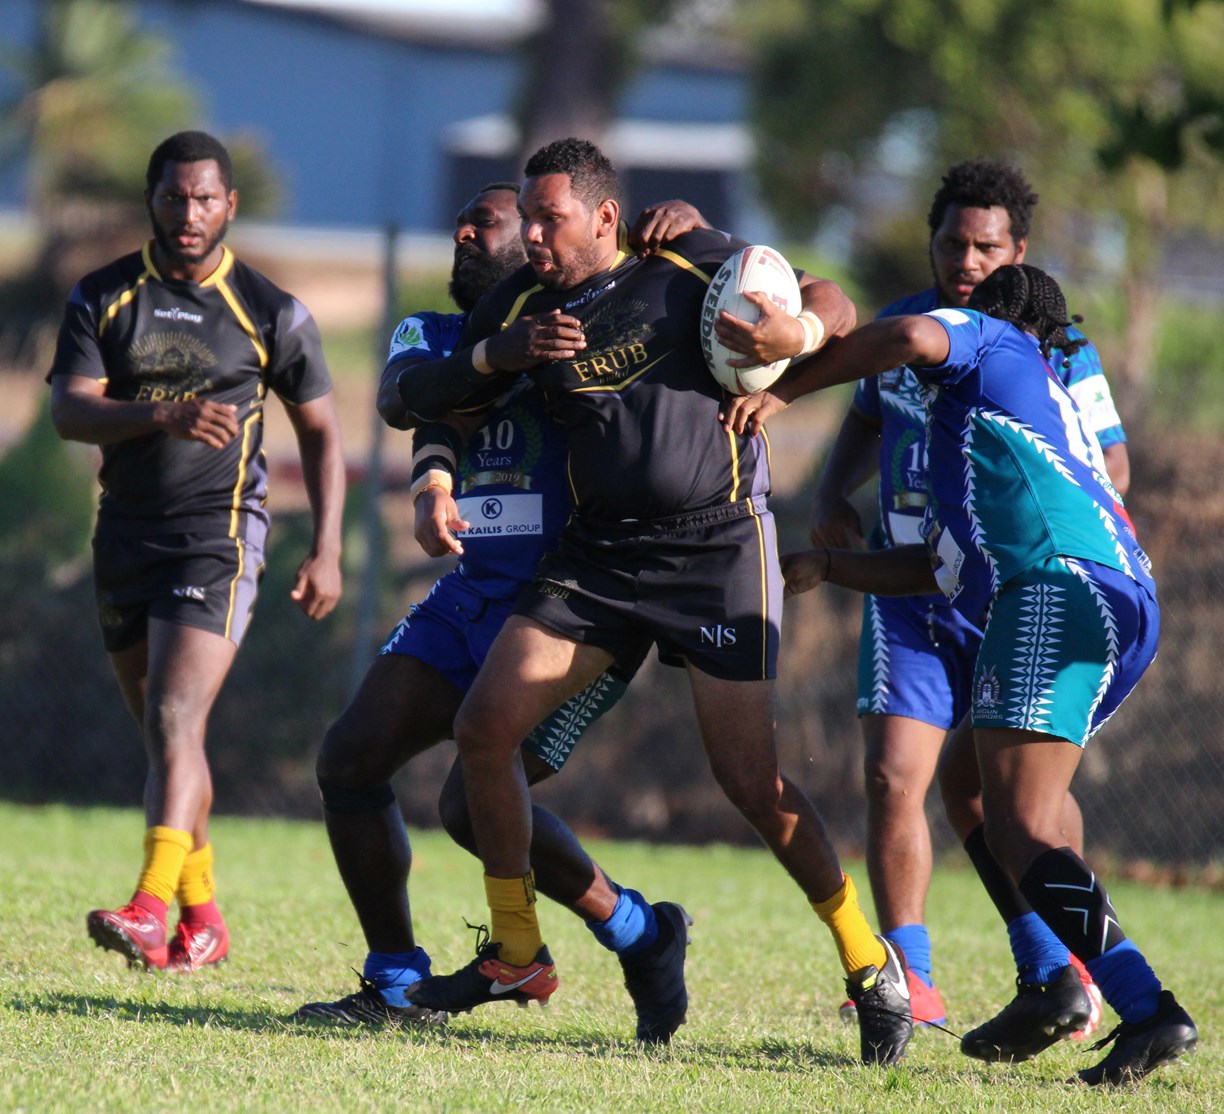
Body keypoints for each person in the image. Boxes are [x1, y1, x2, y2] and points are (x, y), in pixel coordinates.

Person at [399, 137, 914, 1066]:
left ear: (604, 216)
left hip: (716, 546)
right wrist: (499, 352)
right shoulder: (523, 305)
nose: (535, 236)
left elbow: (830, 299)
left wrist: (789, 345)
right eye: (529, 217)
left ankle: (871, 965)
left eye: (549, 218)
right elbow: (421, 399)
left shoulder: (686, 258)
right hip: (598, 558)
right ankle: (515, 953)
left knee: (753, 786)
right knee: (484, 732)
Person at [758, 263, 1197, 1087]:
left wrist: (787, 388)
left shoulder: (992, 340)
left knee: (1023, 825)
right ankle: (1051, 982)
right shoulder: (994, 429)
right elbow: (938, 566)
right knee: (968, 782)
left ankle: (1147, 1008)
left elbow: (913, 334)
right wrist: (828, 565)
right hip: (1115, 597)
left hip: (1059, 588)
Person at [291, 185, 710, 1044]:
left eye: (495, 221)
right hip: (470, 591)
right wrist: (452, 440)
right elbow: (408, 398)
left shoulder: (599, 322)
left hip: (576, 600)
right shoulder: (437, 331)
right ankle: (395, 980)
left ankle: (641, 934)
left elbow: (712, 294)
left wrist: (694, 231)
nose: (471, 231)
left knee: (463, 806)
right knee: (349, 760)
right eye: (471, 221)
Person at [810, 159, 1125, 1031]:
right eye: (954, 242)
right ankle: (910, 983)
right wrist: (836, 491)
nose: (968, 260)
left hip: (1011, 592)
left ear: (1017, 248)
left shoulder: (1056, 343)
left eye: (987, 246)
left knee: (1019, 796)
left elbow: (1114, 461)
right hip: (908, 583)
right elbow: (867, 416)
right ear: (934, 241)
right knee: (890, 776)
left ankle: (1057, 967)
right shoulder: (902, 326)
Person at [47, 131, 346, 972]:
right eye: (175, 197)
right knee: (166, 736)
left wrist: (325, 548)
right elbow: (71, 413)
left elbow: (321, 434)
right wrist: (163, 414)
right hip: (126, 534)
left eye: (205, 198)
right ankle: (203, 916)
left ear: (230, 205)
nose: (190, 214)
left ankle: (149, 907)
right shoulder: (102, 296)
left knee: (178, 717)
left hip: (218, 537)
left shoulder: (269, 309)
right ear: (152, 200)